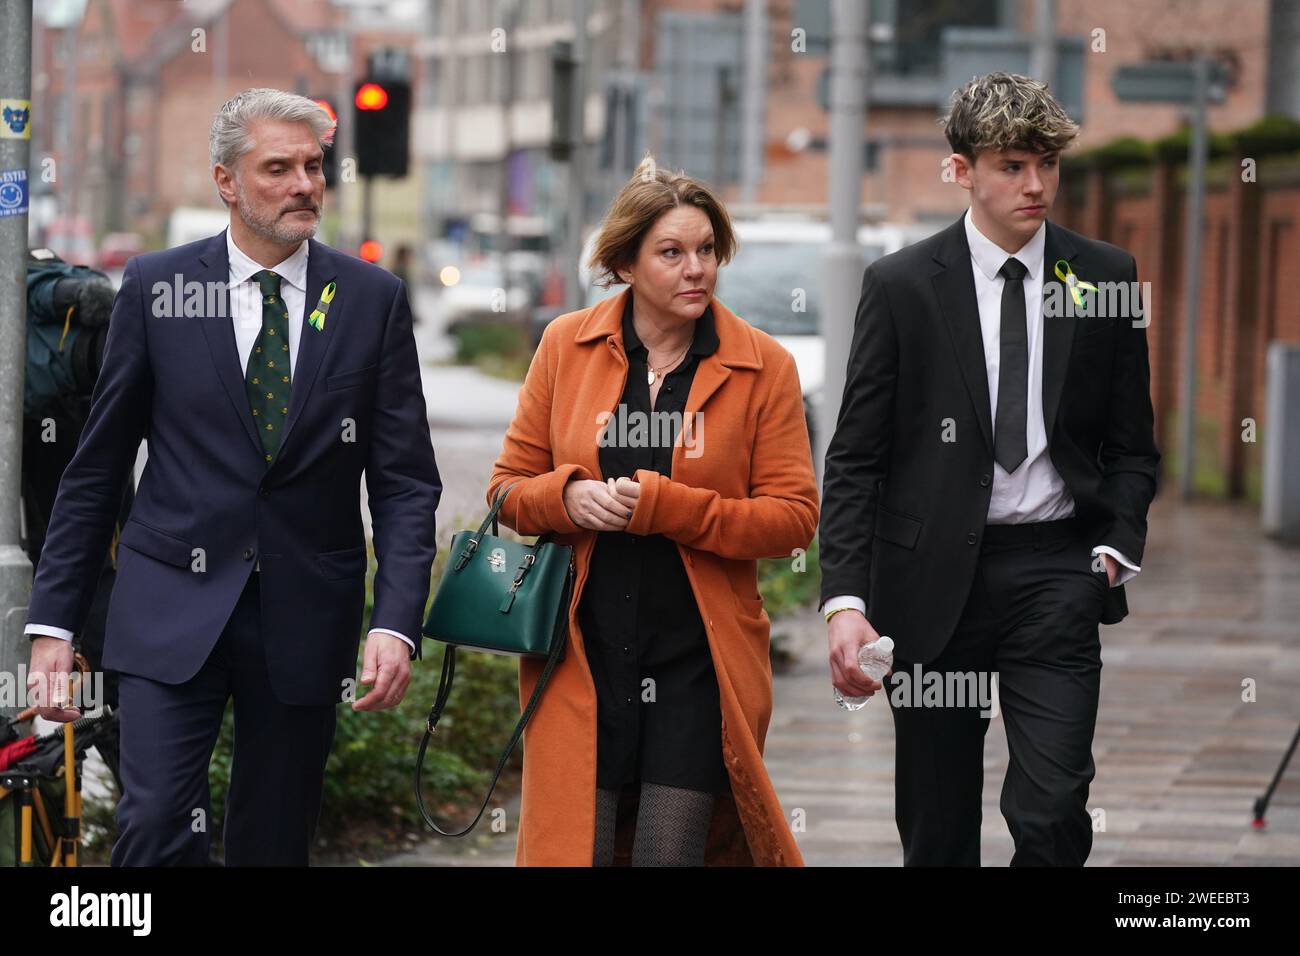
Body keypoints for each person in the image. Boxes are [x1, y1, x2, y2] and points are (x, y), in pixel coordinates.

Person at [23, 88, 442, 866]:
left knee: (272, 842)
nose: (303, 184)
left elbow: (405, 480)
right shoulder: (157, 287)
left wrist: (395, 620)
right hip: (166, 608)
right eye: (277, 167)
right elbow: (99, 465)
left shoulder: (371, 301)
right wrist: (55, 624)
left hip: (304, 611)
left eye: (313, 166)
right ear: (226, 181)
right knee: (154, 828)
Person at [819, 72, 1160, 866]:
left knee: (1052, 813)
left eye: (1047, 162)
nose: (1035, 184)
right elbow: (857, 456)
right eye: (1011, 164)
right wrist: (844, 601)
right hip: (930, 584)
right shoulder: (902, 285)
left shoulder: (1103, 277)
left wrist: (1113, 550)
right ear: (961, 169)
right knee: (937, 832)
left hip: (1056, 574)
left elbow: (1133, 443)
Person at [488, 156, 818, 866]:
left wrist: (669, 508)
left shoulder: (764, 366)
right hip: (581, 655)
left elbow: (793, 518)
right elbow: (507, 489)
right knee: (580, 850)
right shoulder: (565, 346)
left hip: (698, 665)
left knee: (670, 853)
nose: (696, 268)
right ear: (625, 264)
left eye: (707, 251)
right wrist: (568, 497)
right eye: (671, 253)